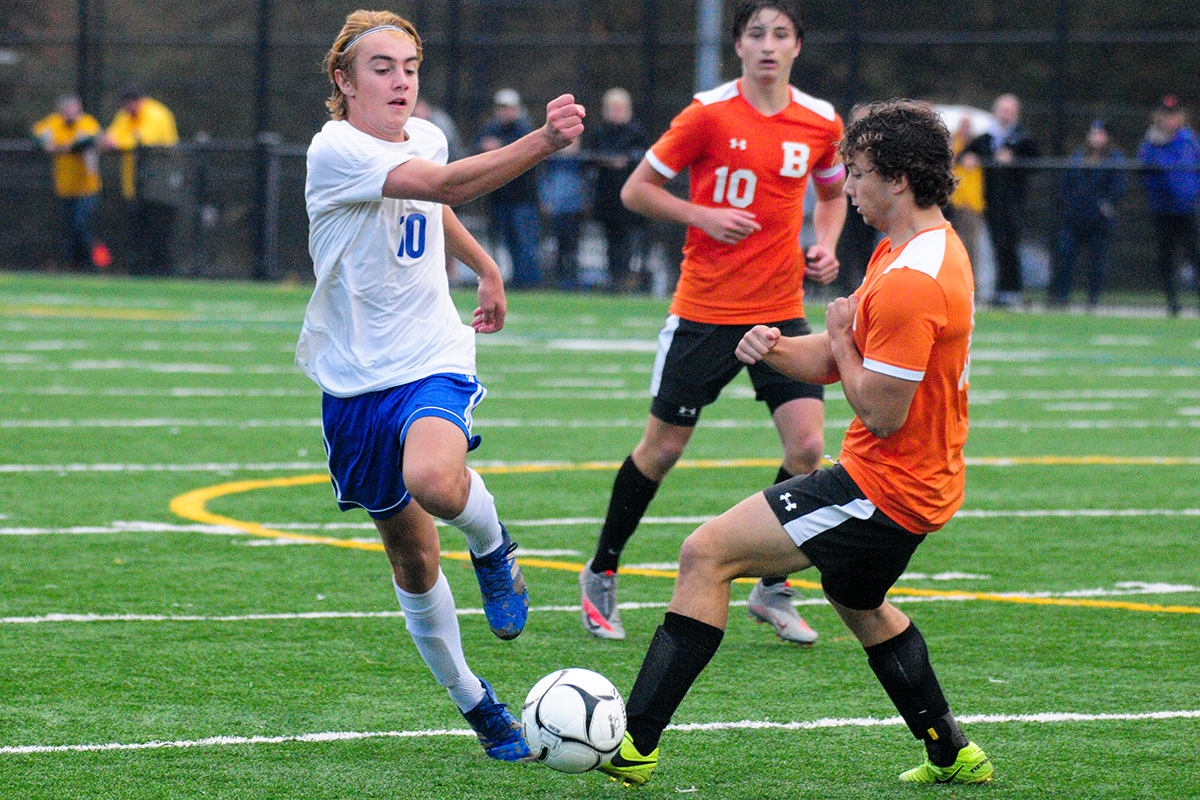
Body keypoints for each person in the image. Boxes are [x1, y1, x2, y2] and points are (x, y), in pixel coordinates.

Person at [598, 98, 992, 788]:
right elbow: (829, 363)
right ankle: (953, 752)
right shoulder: (906, 247)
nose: (848, 189)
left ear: (899, 179)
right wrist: (772, 347)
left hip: (886, 488)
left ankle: (633, 745)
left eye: (859, 174)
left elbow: (882, 411)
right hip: (911, 482)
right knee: (860, 604)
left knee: (704, 554)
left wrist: (838, 339)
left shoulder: (911, 280)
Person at [295, 10, 584, 761]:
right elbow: (447, 181)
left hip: (431, 354)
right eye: (383, 67)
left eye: (411, 67)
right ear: (344, 80)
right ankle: (474, 700)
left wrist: (485, 266)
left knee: (433, 477)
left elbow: (435, 198)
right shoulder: (335, 149)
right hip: (356, 382)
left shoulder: (424, 133)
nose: (401, 80)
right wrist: (544, 141)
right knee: (413, 559)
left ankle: (493, 547)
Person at [579, 0, 846, 647]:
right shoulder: (708, 113)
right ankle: (601, 569)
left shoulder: (819, 122)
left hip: (781, 312)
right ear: (738, 46)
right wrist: (703, 216)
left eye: (781, 34)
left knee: (808, 450)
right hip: (706, 311)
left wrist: (827, 245)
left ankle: (773, 588)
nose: (768, 45)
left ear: (797, 48)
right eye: (756, 33)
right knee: (663, 450)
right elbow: (636, 190)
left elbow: (834, 193)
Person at [963, 93, 1040, 309]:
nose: (1005, 115)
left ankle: (1012, 291)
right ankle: (998, 291)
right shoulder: (986, 139)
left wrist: (1015, 160)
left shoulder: (1023, 138)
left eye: (1010, 111)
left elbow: (1036, 161)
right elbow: (964, 155)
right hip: (990, 202)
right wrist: (969, 158)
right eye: (1002, 110)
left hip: (1014, 202)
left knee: (1010, 246)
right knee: (995, 246)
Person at [101, 85, 181, 276]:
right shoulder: (126, 115)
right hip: (136, 185)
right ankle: (140, 270)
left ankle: (162, 271)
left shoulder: (156, 113)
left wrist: (118, 142)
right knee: (137, 229)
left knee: (159, 229)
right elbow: (111, 137)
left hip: (159, 183)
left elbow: (144, 142)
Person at [1048, 120, 1127, 310]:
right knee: (1065, 259)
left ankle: (1093, 300)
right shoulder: (1077, 157)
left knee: (1097, 264)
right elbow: (1065, 187)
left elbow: (1118, 189)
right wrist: (1067, 207)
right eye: (1093, 133)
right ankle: (1061, 299)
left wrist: (1105, 207)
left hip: (1099, 222)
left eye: (1100, 133)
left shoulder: (1115, 160)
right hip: (1074, 220)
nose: (1095, 137)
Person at [1137, 95, 1200, 317]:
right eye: (1166, 115)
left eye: (1174, 115)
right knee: (1166, 257)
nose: (1170, 120)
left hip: (1187, 208)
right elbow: (1145, 173)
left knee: (1195, 254)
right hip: (1163, 209)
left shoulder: (1188, 139)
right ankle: (1172, 302)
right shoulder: (1151, 142)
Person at [31, 94, 109, 272]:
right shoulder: (53, 123)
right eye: (66, 110)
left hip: (87, 188)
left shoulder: (86, 122)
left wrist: (67, 147)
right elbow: (37, 136)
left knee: (83, 225)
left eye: (73, 109)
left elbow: (90, 140)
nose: (70, 114)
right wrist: (46, 144)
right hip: (65, 188)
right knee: (70, 229)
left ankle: (95, 266)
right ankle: (74, 266)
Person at [476, 88, 543, 288]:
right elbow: (476, 148)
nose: (505, 112)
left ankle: (530, 281)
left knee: (525, 242)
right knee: (510, 242)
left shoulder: (524, 130)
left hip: (522, 198)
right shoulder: (491, 129)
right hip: (500, 198)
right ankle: (518, 279)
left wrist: (499, 148)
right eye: (501, 108)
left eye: (508, 108)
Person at [585, 87, 650, 292]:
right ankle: (613, 279)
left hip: (630, 198)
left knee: (628, 241)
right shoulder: (600, 132)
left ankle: (626, 279)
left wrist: (625, 161)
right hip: (607, 197)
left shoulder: (636, 132)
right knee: (610, 241)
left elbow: (644, 159)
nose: (615, 111)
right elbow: (591, 158)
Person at [538, 138, 589, 290]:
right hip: (557, 209)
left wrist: (584, 203)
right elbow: (544, 183)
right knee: (558, 244)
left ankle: (572, 277)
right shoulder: (552, 162)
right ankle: (558, 277)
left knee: (573, 245)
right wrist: (546, 201)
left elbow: (587, 185)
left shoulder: (582, 162)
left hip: (574, 209)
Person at [948, 115, 986, 291]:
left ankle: (971, 287)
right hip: (952, 202)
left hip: (970, 204)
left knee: (970, 247)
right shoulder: (953, 146)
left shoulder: (979, 147)